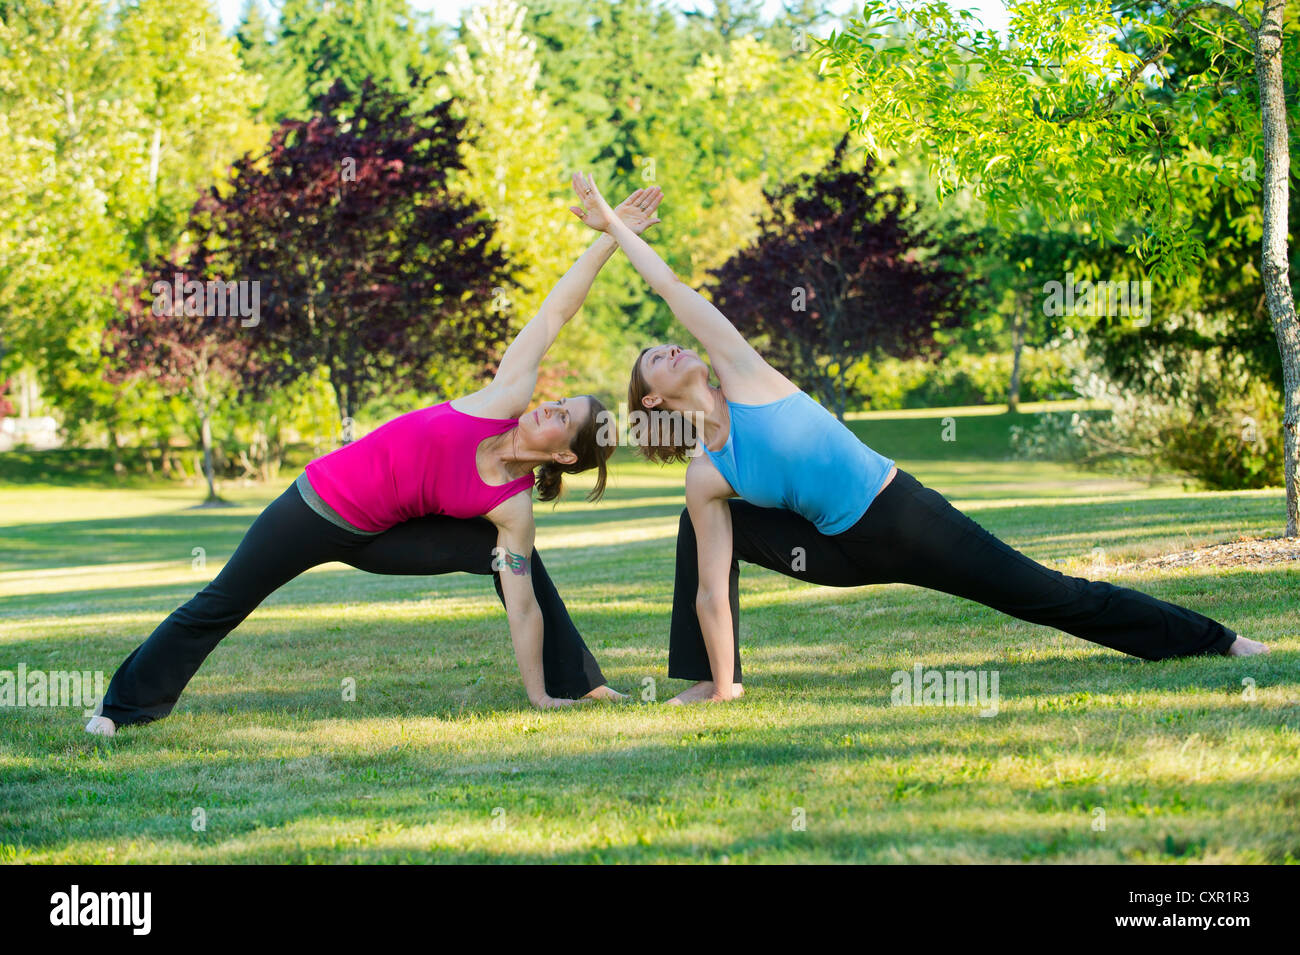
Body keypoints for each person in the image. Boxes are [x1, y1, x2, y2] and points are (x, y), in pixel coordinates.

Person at [565, 172, 1269, 706]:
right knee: (700, 527)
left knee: (1049, 594)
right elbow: (711, 592)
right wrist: (726, 685)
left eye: (671, 344)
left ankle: (1222, 640)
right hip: (840, 550)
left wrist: (609, 225)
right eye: (657, 358)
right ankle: (717, 680)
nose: (673, 349)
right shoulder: (706, 472)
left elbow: (667, 286)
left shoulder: (743, 372)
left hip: (903, 514)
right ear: (653, 398)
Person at [85, 185, 666, 735]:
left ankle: (576, 684)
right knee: (221, 602)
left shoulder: (513, 511)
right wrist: (611, 232)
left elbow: (522, 607)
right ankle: (125, 707)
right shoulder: (502, 400)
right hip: (315, 507)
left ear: (564, 453)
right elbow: (552, 316)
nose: (549, 408)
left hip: (384, 538)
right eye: (559, 402)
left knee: (519, 566)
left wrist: (537, 697)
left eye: (565, 417)